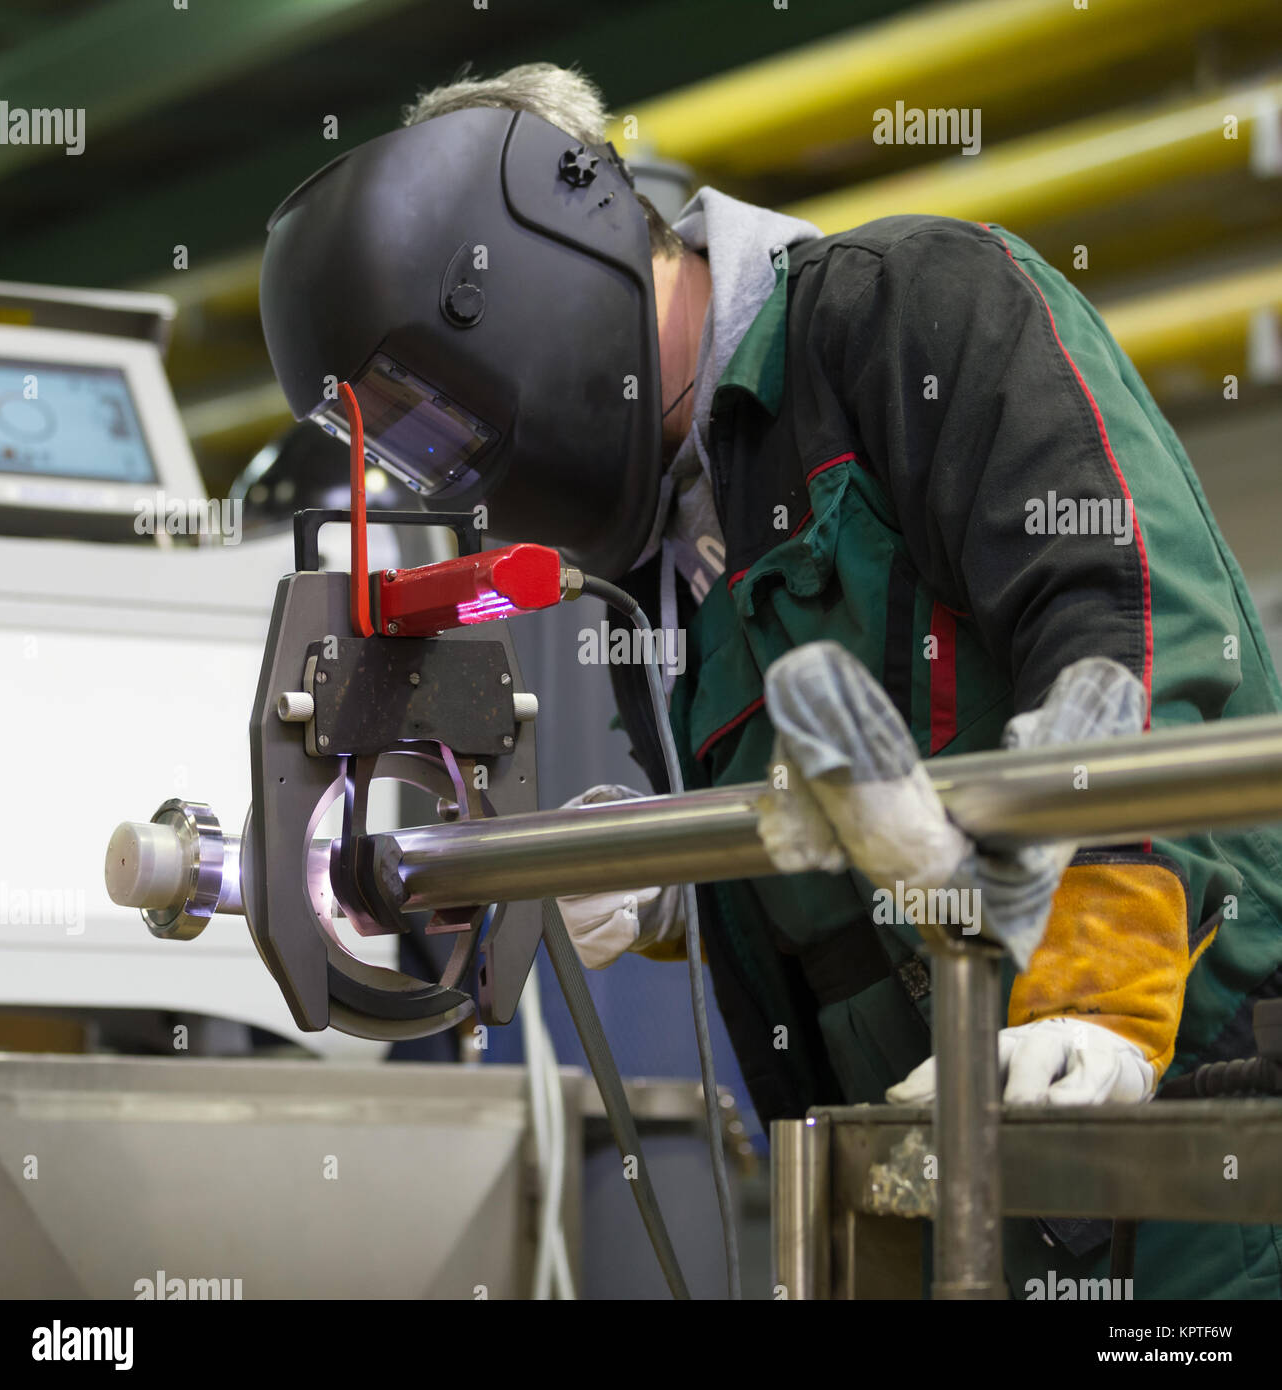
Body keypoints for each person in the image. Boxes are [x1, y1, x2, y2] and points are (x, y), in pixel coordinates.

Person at [264, 62, 1282, 1299]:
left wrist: (1099, 989)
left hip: (1189, 1125)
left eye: (449, 423)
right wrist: (675, 880)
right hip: (944, 1162)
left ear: (535, 261)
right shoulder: (662, 535)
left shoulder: (914, 311)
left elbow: (1130, 618)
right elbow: (838, 837)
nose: (468, 475)